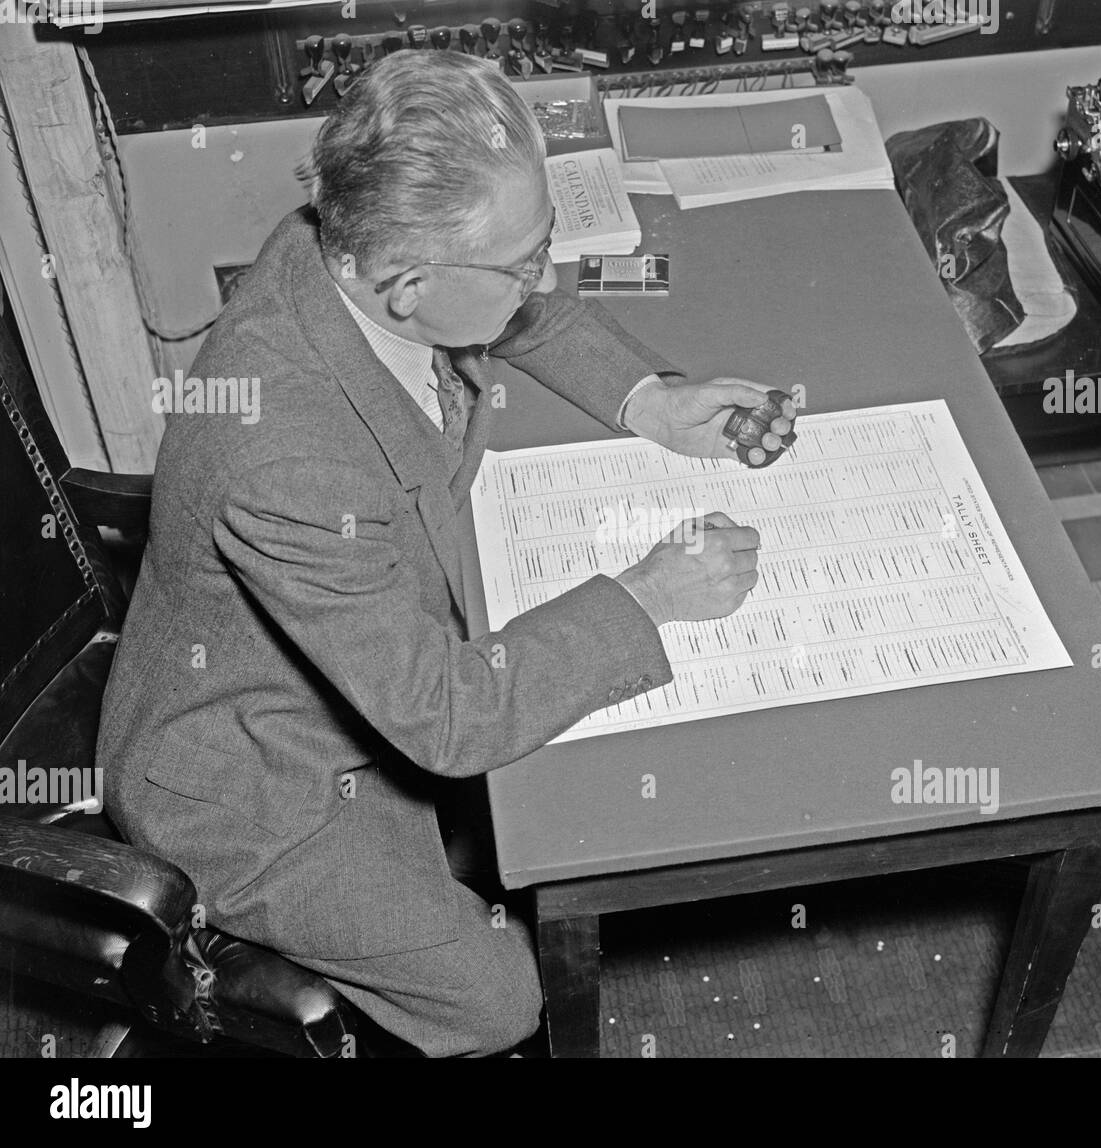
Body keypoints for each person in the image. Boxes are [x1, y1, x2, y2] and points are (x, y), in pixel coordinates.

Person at [98, 49, 794, 1057]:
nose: (543, 275)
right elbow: (445, 716)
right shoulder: (286, 461)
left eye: (541, 238)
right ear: (408, 284)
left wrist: (654, 400)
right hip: (249, 781)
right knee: (497, 997)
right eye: (523, 260)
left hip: (364, 646)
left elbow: (519, 311)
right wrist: (649, 595)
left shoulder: (338, 247)